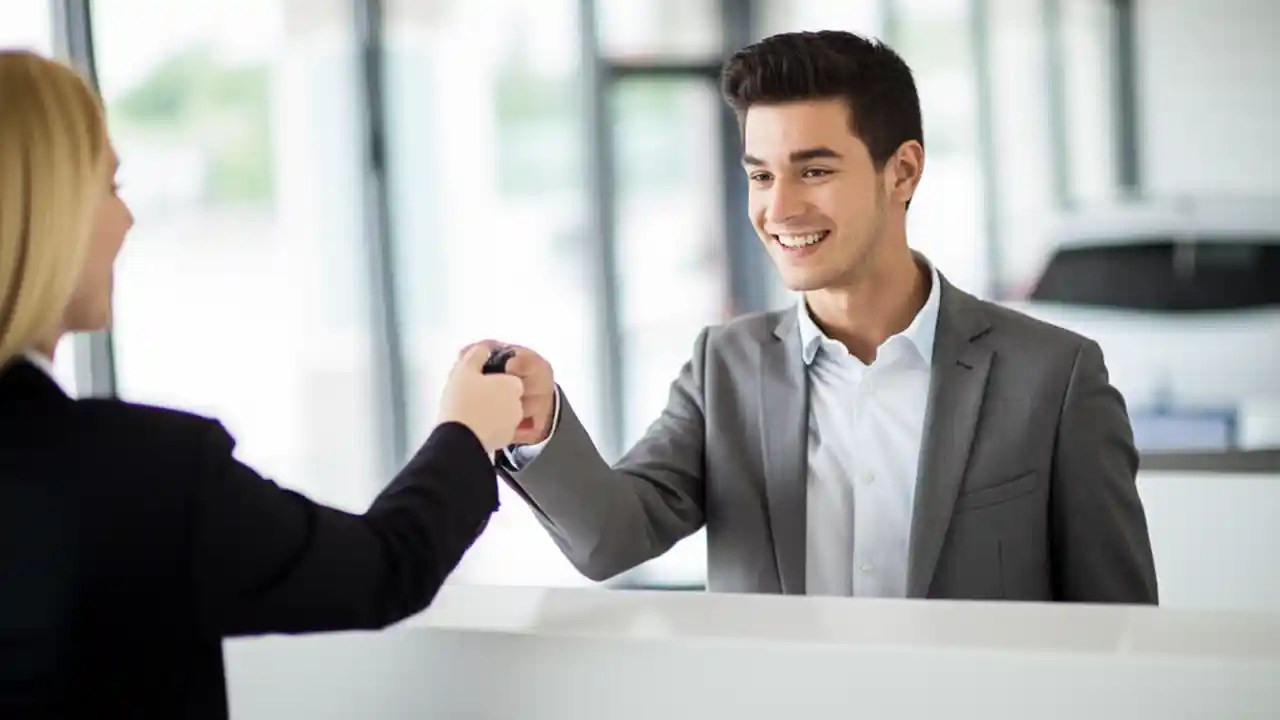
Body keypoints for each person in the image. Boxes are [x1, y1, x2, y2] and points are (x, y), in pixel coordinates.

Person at [481, 31, 1158, 603]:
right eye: (761, 175)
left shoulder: (1054, 378)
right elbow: (610, 539)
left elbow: (1120, 631)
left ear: (903, 172)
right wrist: (539, 429)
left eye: (814, 172)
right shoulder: (725, 368)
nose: (779, 210)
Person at [0, 51, 524, 718]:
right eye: (110, 186)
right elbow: (387, 566)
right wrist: (469, 431)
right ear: (48, 212)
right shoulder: (140, 476)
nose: (126, 220)